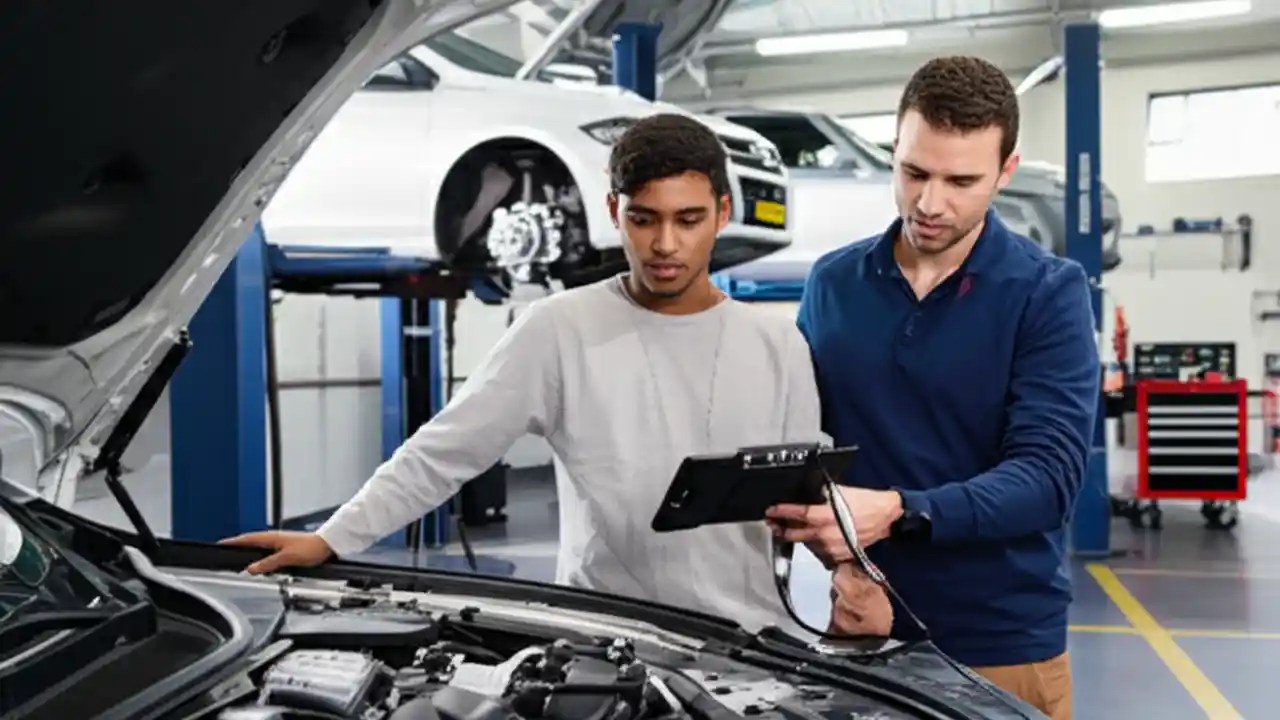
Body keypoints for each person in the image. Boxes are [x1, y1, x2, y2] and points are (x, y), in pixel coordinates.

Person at [219, 112, 891, 637]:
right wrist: (333, 536)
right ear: (612, 212)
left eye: (688, 221)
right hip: (607, 637)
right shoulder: (556, 330)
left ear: (721, 212)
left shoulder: (777, 342)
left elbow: (807, 499)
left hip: (749, 641)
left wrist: (852, 577)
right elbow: (443, 452)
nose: (664, 245)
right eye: (643, 218)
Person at [766, 56, 1098, 720]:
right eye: (914, 172)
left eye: (961, 180)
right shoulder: (834, 285)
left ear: (1006, 171)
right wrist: (837, 561)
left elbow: (1048, 478)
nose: (930, 202)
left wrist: (895, 511)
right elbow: (806, 443)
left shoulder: (1047, 293)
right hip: (861, 630)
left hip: (999, 641)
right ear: (894, 150)